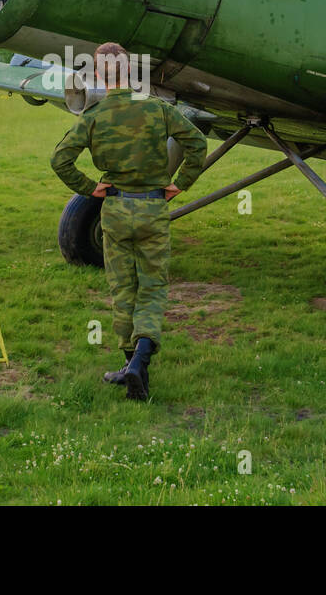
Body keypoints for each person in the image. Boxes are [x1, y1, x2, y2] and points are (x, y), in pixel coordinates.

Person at [49, 42, 207, 400]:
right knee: (152, 288)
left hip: (116, 211)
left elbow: (60, 161)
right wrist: (180, 183)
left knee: (124, 290)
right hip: (153, 209)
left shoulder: (94, 115)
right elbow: (196, 143)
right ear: (131, 72)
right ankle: (139, 364)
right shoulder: (157, 108)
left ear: (101, 75)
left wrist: (92, 188)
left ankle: (129, 364)